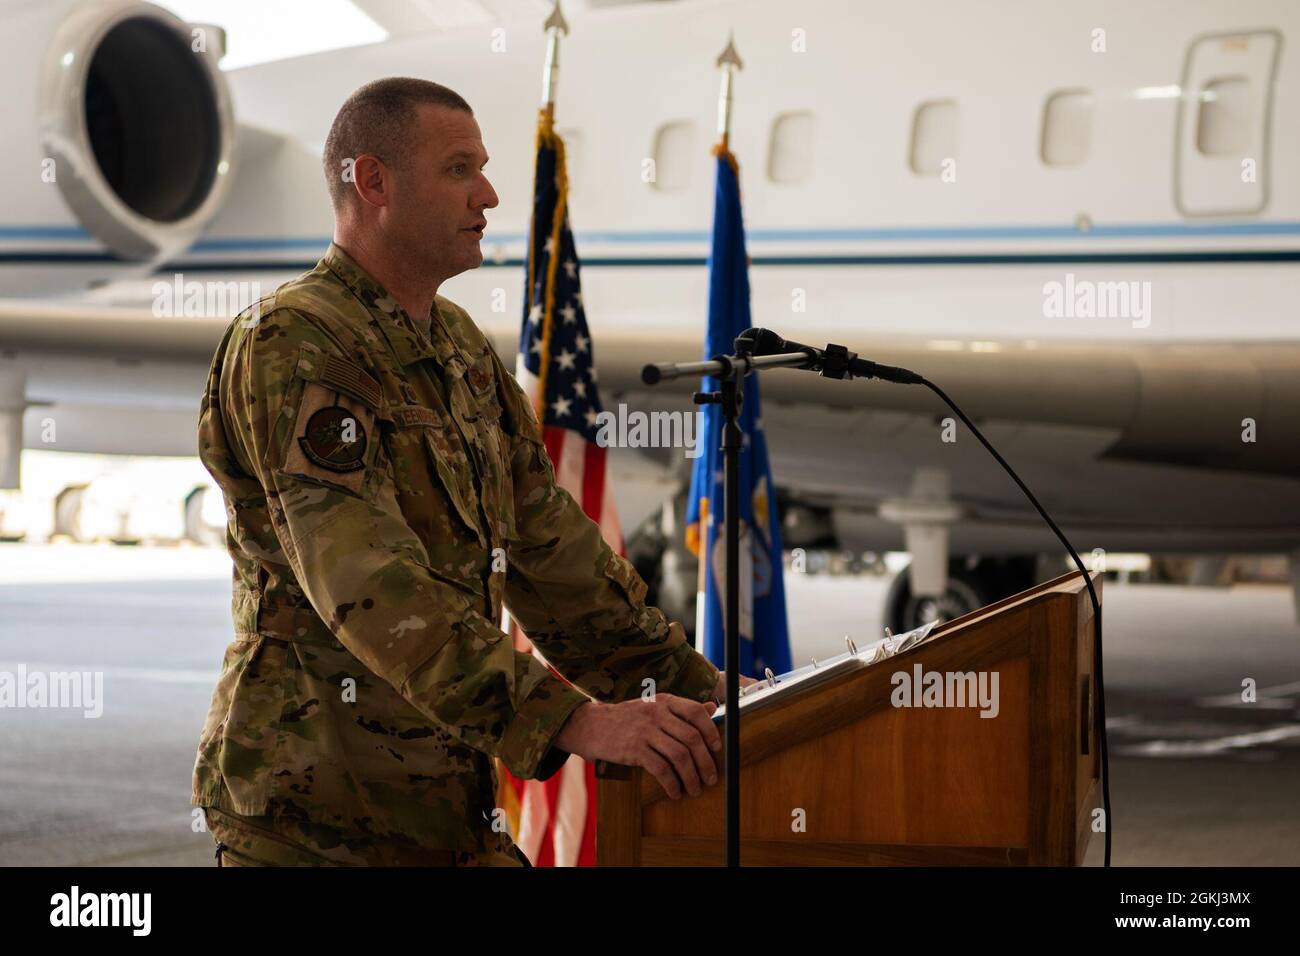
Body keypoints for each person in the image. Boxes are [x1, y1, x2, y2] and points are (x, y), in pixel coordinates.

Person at [193, 77, 746, 867]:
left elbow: (557, 561)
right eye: (459, 170)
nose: (487, 195)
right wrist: (573, 720)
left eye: (482, 170)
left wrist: (704, 691)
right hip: (315, 824)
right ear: (373, 181)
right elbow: (369, 586)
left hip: (453, 817)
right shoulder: (296, 341)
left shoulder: (456, 347)